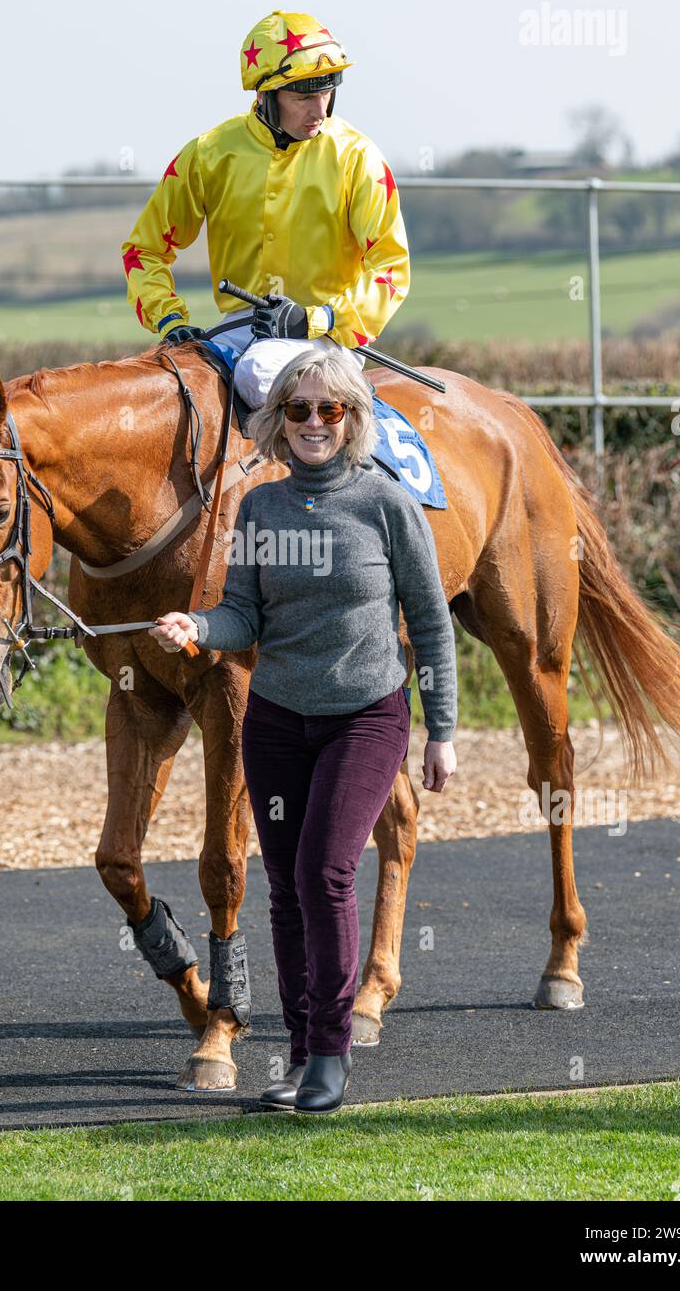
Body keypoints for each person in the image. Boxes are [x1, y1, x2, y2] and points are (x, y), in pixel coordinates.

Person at [149, 347, 458, 1116]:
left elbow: (429, 620)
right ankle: (295, 1054)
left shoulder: (387, 504)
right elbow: (244, 616)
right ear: (277, 420)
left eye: (330, 409)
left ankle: (330, 1054)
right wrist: (197, 626)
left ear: (354, 419)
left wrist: (441, 728)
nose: (314, 422)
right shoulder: (260, 509)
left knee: (325, 872)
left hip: (367, 715)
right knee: (286, 891)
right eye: (298, 409)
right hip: (279, 720)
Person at [121, 9, 410, 407]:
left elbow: (391, 267)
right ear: (264, 94)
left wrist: (320, 318)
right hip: (236, 331)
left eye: (327, 92)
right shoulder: (208, 155)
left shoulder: (359, 157)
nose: (320, 110)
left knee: (258, 371)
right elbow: (145, 250)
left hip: (326, 339)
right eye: (304, 96)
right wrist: (169, 319)